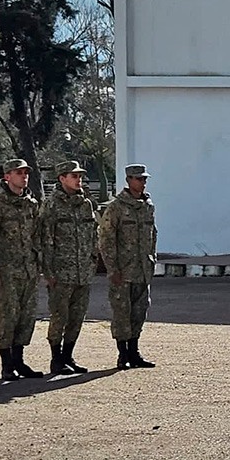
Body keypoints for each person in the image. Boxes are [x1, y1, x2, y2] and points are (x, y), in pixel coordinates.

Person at [0, 158, 44, 380]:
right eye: (18, 173)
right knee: (6, 318)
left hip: (28, 270)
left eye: (26, 173)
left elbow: (37, 236)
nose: (23, 176)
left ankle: (19, 361)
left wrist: (38, 263)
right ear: (7, 176)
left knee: (26, 318)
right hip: (5, 272)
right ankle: (7, 365)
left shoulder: (31, 204)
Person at [40, 160, 98, 375]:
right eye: (73, 176)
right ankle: (56, 359)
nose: (78, 179)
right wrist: (49, 271)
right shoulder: (52, 204)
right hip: (61, 273)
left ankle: (68, 356)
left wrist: (92, 261)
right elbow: (45, 239)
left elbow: (93, 234)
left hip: (83, 272)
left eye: (80, 176)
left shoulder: (86, 204)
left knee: (77, 317)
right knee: (59, 316)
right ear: (62, 178)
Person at [98, 164, 157, 370]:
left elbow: (153, 235)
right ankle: (123, 354)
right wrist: (112, 269)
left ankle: (135, 352)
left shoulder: (148, 205)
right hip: (123, 271)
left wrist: (152, 259)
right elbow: (106, 240)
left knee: (139, 312)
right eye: (139, 179)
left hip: (142, 269)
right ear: (129, 180)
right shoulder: (116, 207)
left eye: (144, 179)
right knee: (122, 313)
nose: (143, 183)